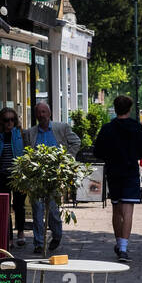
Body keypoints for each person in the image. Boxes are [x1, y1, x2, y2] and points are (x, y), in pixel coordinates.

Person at [92, 96, 142, 259]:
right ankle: (123, 247)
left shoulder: (107, 128)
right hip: (130, 170)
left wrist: (110, 156)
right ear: (129, 109)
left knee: (116, 208)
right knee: (128, 210)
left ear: (115, 108)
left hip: (113, 172)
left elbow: (97, 152)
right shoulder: (136, 128)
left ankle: (119, 242)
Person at [22, 102, 81, 254]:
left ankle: (57, 235)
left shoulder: (61, 128)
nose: (41, 115)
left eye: (44, 112)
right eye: (38, 112)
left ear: (49, 113)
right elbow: (26, 153)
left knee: (53, 209)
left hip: (55, 174)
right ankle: (39, 243)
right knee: (37, 209)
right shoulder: (29, 133)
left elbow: (76, 142)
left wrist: (66, 159)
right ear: (35, 115)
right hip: (37, 176)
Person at [0, 107, 27, 246]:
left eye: (12, 119)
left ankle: (20, 232)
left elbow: (28, 150)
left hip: (18, 175)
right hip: (3, 175)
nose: (9, 122)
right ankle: (8, 237)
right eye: (6, 120)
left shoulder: (20, 133)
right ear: (1, 121)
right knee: (5, 207)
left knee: (19, 206)